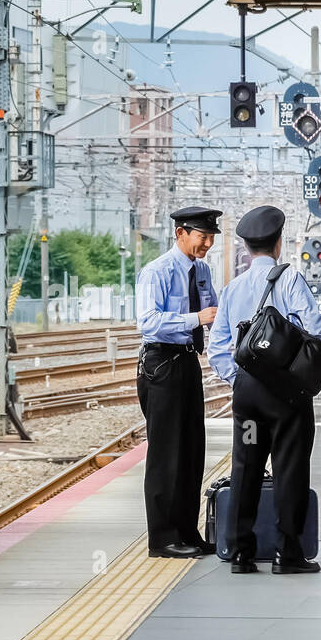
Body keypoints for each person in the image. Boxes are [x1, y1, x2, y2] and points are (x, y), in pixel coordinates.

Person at [207, 205, 321, 574]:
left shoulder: (232, 288)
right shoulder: (289, 280)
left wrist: (241, 378)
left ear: (246, 248)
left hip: (248, 398)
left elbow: (217, 349)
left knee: (246, 465)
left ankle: (241, 554)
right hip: (287, 398)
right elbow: (317, 331)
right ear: (278, 244)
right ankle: (286, 554)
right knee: (289, 467)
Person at [135, 206, 221, 558]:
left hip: (187, 362)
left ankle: (188, 530)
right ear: (180, 234)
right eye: (202, 237)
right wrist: (195, 318)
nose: (208, 244)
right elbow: (149, 322)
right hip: (160, 365)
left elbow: (214, 307)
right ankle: (162, 538)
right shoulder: (156, 272)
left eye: (211, 238)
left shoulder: (201, 270)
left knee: (191, 450)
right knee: (165, 454)